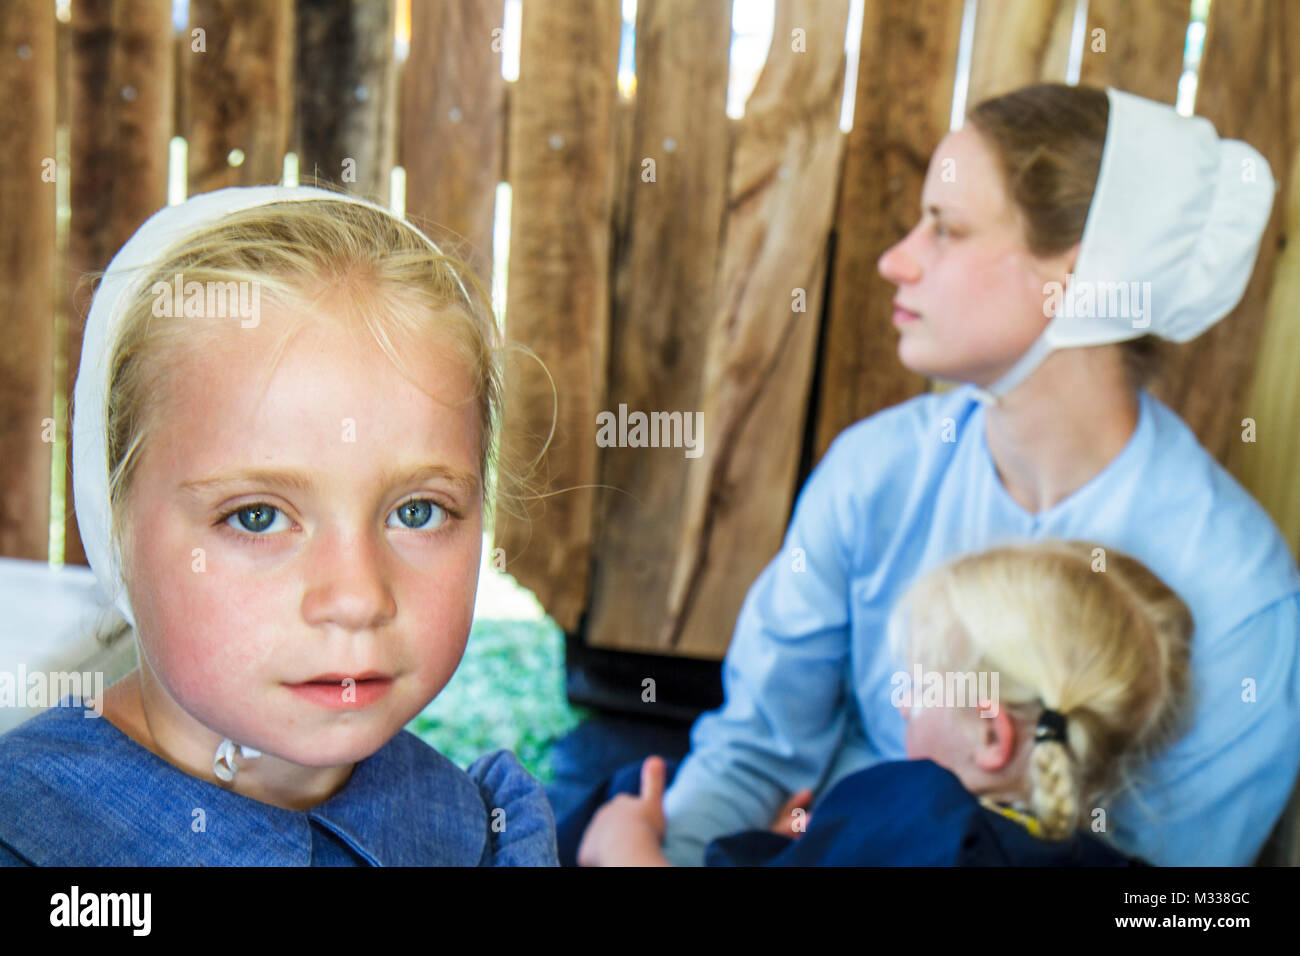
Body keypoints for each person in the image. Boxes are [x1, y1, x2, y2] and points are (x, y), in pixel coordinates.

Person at [565, 83, 1300, 867]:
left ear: (1075, 280)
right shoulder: (877, 472)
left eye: (944, 229)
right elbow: (757, 750)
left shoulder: (1238, 595)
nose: (896, 259)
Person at [0, 185, 557, 865]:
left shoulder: (477, 833)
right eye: (257, 517)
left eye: (417, 511)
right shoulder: (28, 835)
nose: (357, 597)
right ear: (114, 518)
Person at [577, 540, 1193, 866]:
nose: (901, 706)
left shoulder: (913, 809)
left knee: (625, 791)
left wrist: (624, 847)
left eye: (917, 687)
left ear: (990, 735)